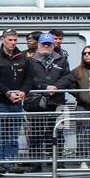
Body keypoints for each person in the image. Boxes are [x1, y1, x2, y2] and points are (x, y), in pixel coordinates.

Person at [0, 29, 30, 174]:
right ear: (3, 39)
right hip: (0, 100)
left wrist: (23, 91)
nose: (12, 43)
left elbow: (29, 78)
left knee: (12, 133)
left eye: (15, 40)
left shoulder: (22, 57)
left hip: (16, 101)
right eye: (10, 40)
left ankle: (9, 161)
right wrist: (7, 92)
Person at [20, 32, 67, 170]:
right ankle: (35, 163)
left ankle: (57, 162)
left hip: (56, 101)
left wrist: (57, 87)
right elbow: (29, 79)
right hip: (36, 102)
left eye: (49, 44)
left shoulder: (62, 60)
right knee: (36, 133)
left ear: (53, 45)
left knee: (57, 132)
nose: (46, 46)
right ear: (39, 44)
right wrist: (45, 87)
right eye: (44, 44)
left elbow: (67, 77)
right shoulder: (30, 60)